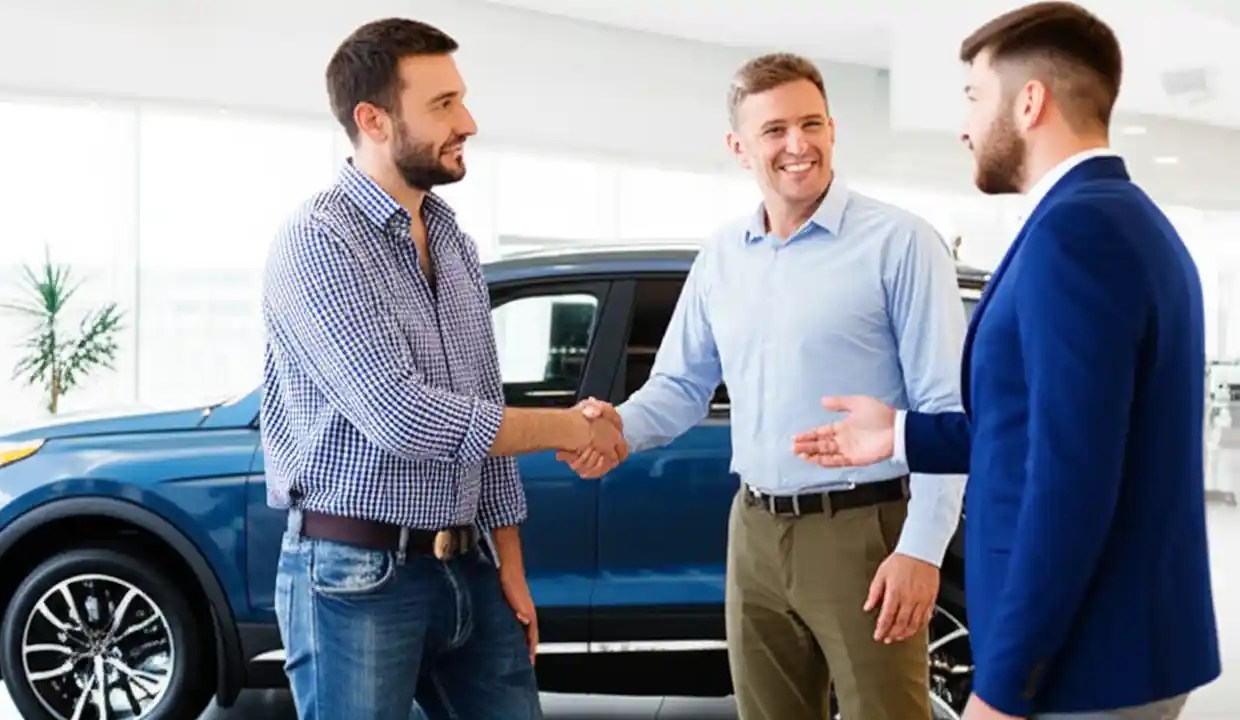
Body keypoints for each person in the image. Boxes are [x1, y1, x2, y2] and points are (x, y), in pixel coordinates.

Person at [792, 3, 1222, 719]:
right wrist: (900, 434)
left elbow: (1069, 485)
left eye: (972, 97)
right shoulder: (1123, 219)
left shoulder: (1076, 235)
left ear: (1029, 101)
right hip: (1120, 652)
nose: (963, 125)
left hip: (1084, 666)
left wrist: (1003, 686)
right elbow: (1042, 429)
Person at [563, 52, 968, 720]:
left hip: (864, 529)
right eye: (775, 130)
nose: (798, 144)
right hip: (753, 529)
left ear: (833, 128)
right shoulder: (723, 255)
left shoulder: (900, 244)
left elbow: (943, 409)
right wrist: (610, 429)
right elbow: (678, 388)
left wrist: (920, 550)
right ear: (738, 146)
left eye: (812, 123)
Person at [259, 17, 626, 720]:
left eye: (461, 98)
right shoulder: (318, 243)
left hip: (471, 570)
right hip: (356, 577)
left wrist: (510, 566)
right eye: (443, 105)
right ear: (373, 119)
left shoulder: (451, 237)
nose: (469, 121)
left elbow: (480, 403)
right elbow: (406, 416)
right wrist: (568, 427)